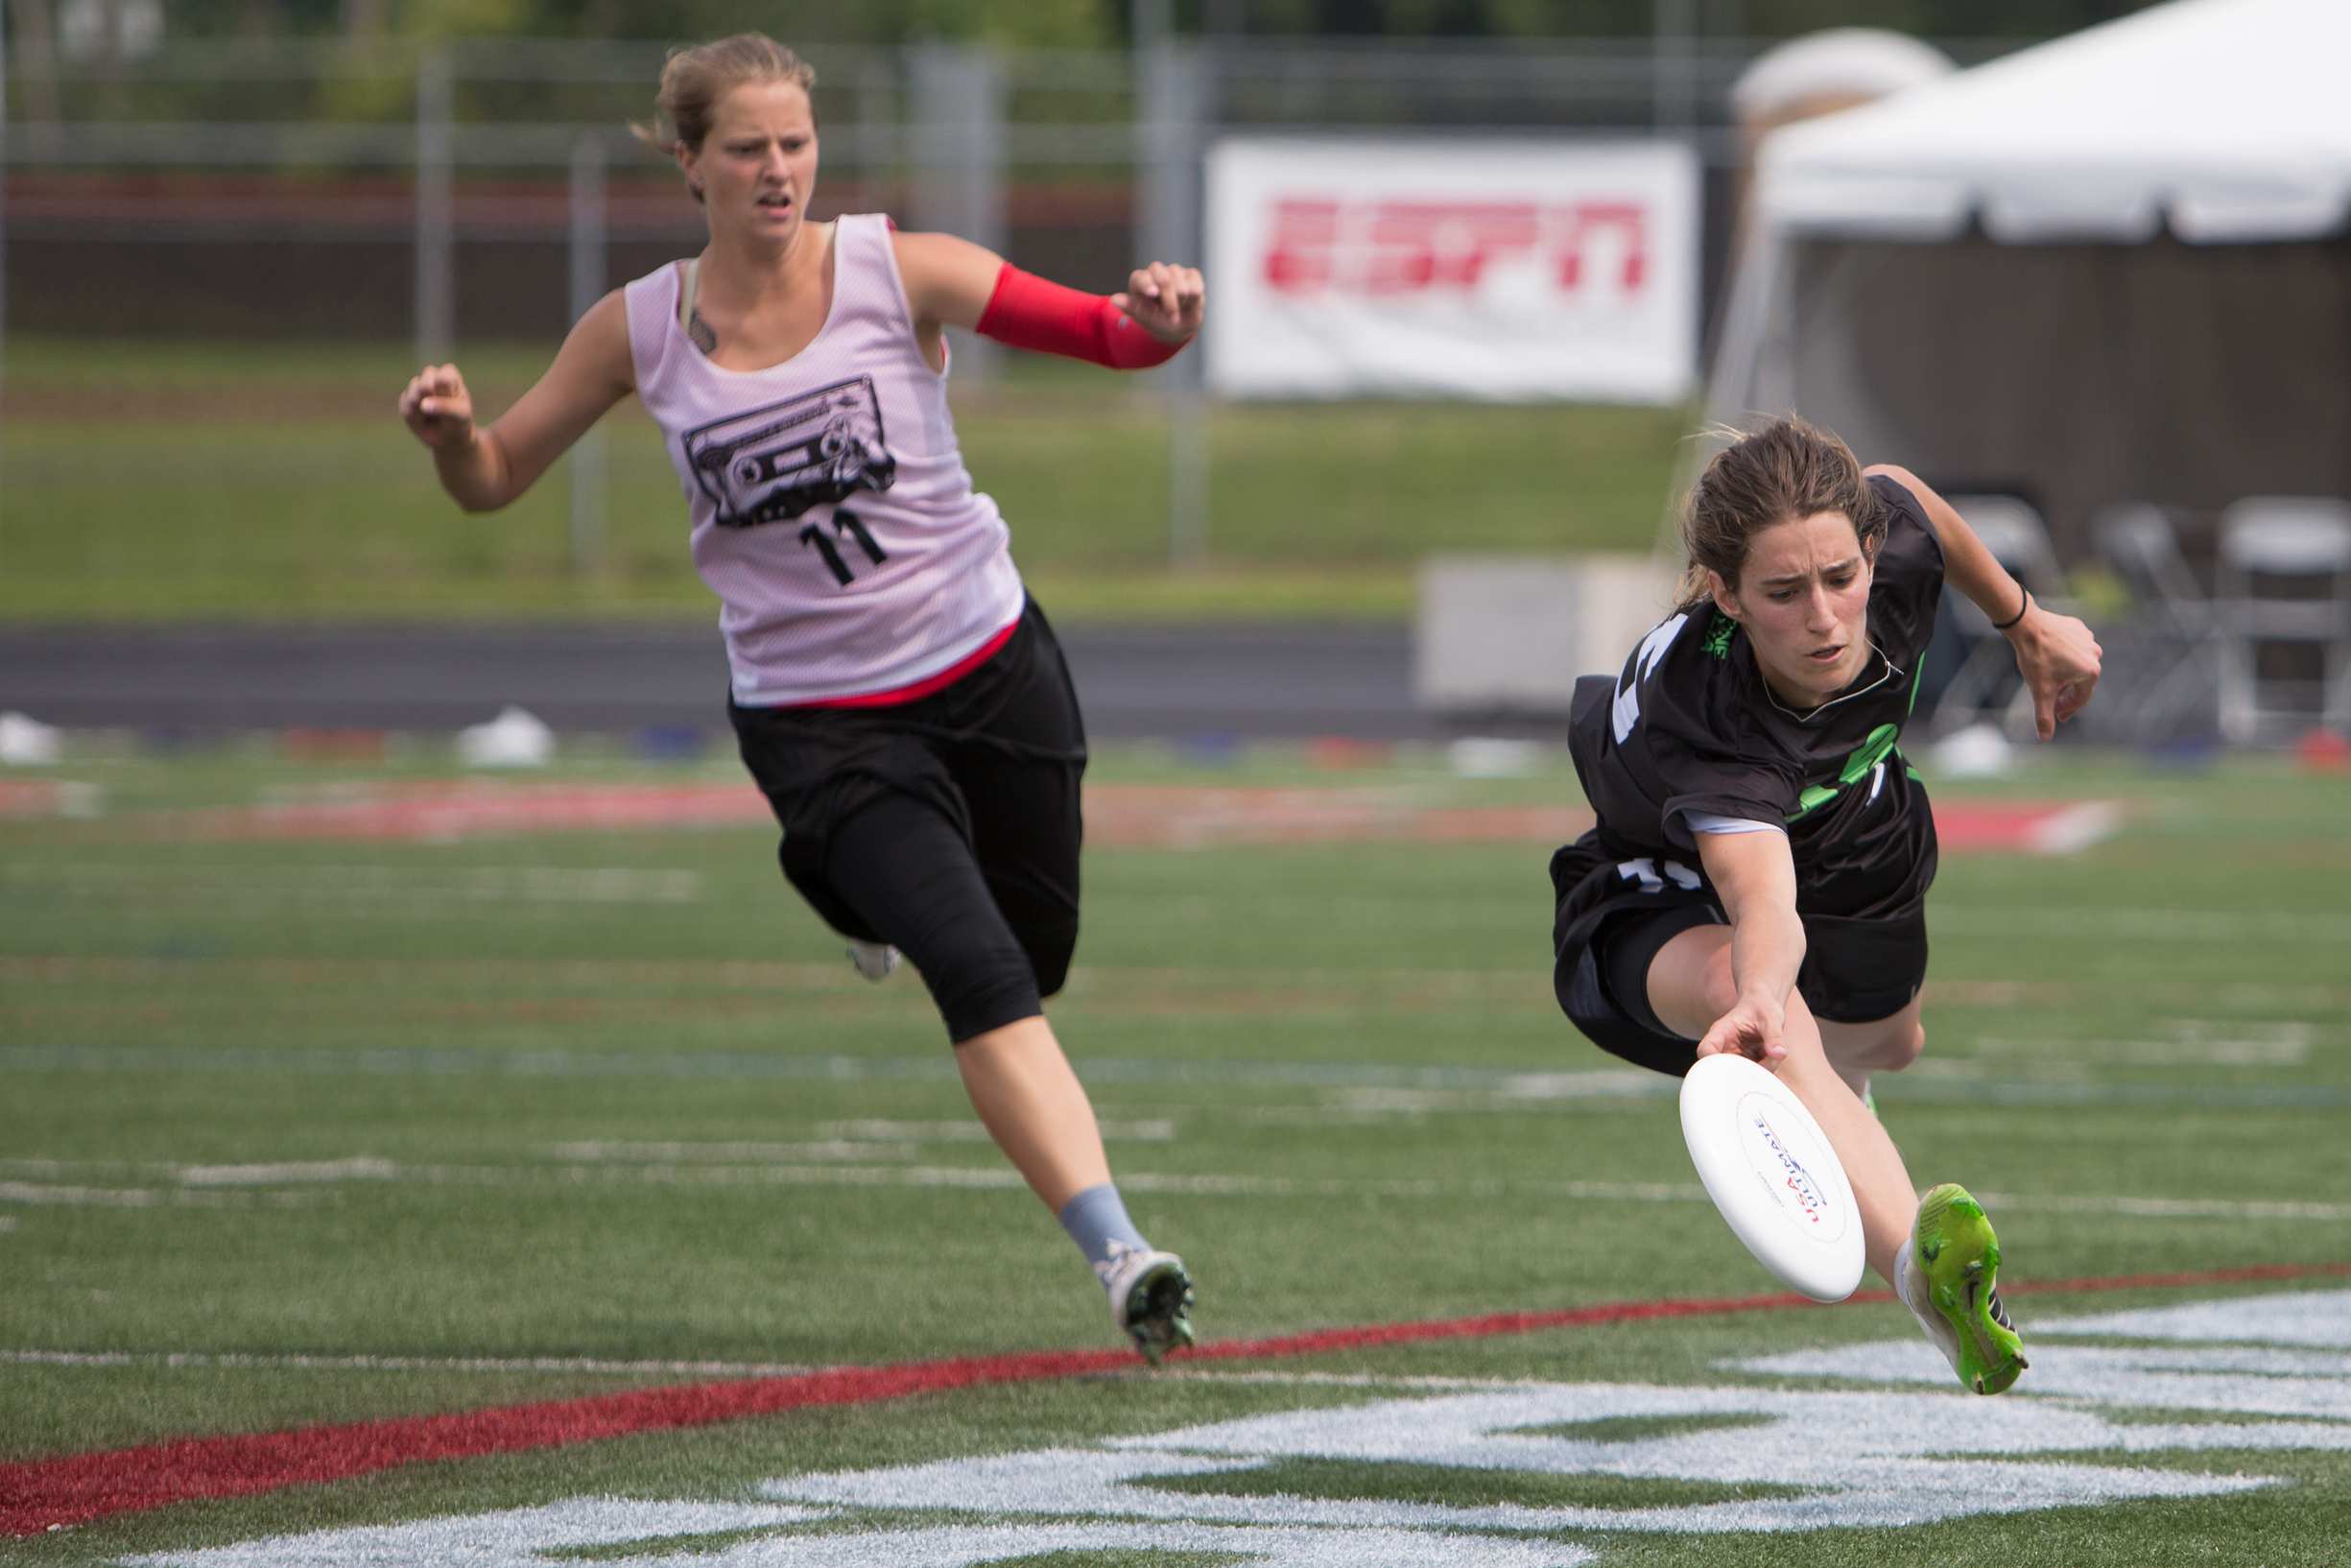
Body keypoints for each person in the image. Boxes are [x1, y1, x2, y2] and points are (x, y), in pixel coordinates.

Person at [396, 34, 1204, 1361]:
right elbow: (493, 477)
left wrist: (1163, 320)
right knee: (980, 971)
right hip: (817, 716)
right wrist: (450, 440)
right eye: (744, 148)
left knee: (1035, 951)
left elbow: (1107, 336)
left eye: (794, 144)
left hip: (990, 665)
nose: (776, 170)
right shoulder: (639, 328)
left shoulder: (901, 267)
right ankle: (1119, 1251)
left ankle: (851, 896)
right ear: (687, 161)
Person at [1548, 416, 2102, 1394]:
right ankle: (1922, 1284)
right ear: (1722, 592)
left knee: (1889, 1044)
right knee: (1760, 995)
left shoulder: (1884, 544)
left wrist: (2026, 620)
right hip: (1656, 885)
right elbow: (1758, 893)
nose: (1823, 617)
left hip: (1857, 830)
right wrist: (1760, 992)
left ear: (1867, 552)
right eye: (1781, 592)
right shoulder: (1704, 711)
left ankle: (1831, 1092)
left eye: (1839, 578)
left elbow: (1907, 490)